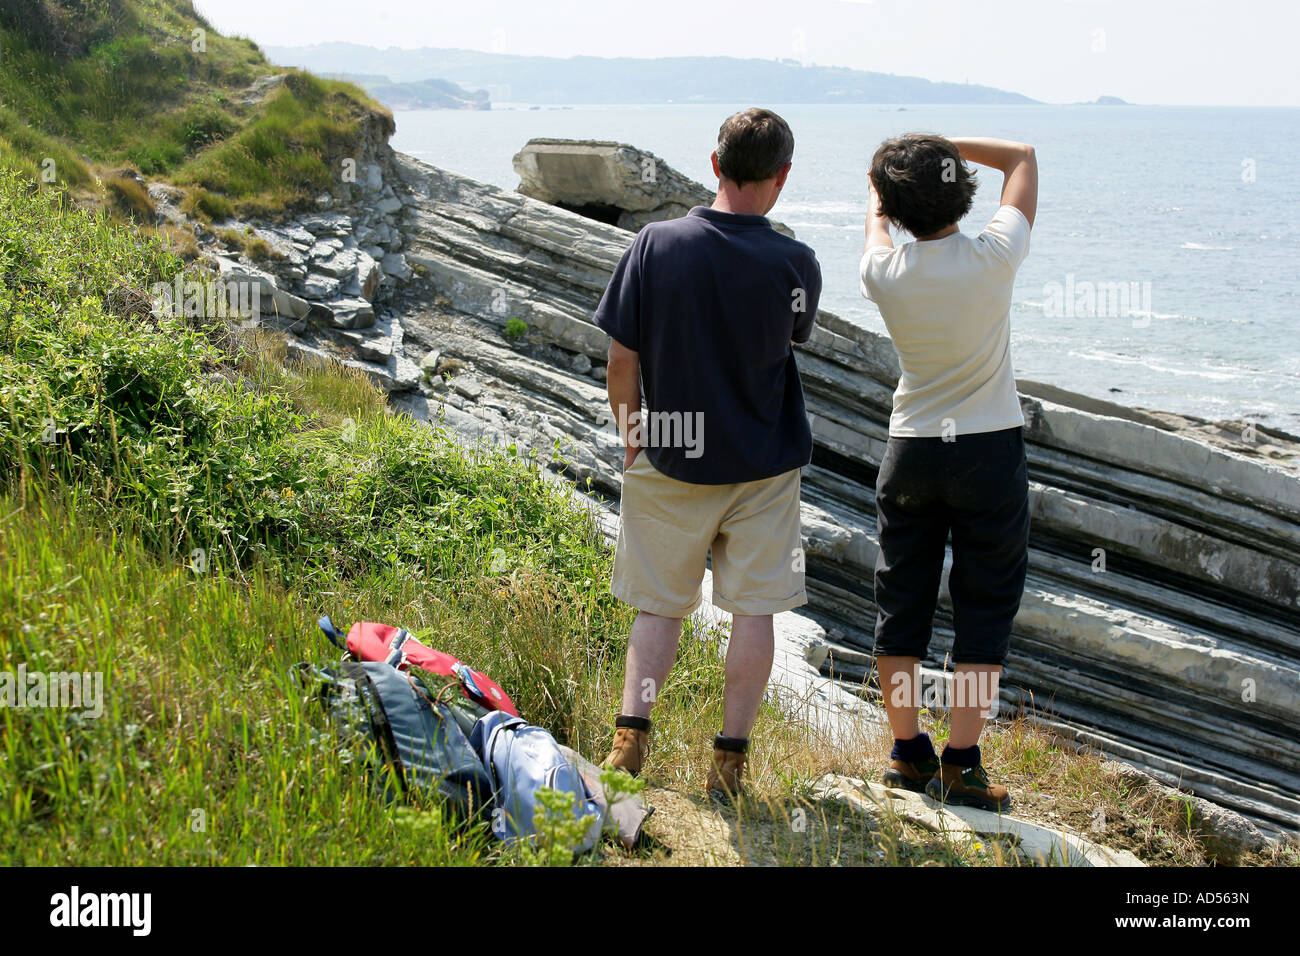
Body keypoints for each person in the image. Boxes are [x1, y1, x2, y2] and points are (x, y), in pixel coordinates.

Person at [593, 107, 822, 803]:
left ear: (715, 163)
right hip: (765, 462)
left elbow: (621, 360)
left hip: (670, 453)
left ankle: (630, 742)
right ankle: (728, 767)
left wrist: (635, 438)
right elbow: (785, 341)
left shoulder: (655, 245)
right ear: (782, 176)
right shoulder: (795, 262)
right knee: (756, 612)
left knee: (660, 608)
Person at [859, 133, 1038, 812]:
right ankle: (962, 763)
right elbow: (1021, 156)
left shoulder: (885, 272)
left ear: (896, 204)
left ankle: (908, 752)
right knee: (983, 609)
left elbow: (877, 212)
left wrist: (890, 167)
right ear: (962, 188)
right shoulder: (994, 255)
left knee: (899, 603)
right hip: (987, 451)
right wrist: (944, 142)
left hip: (911, 448)